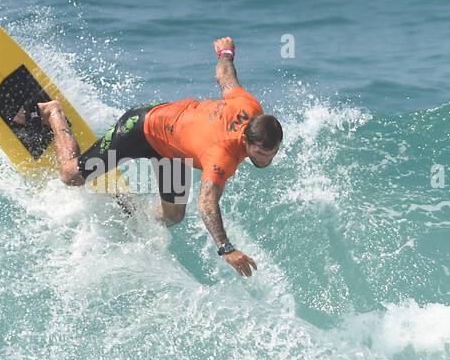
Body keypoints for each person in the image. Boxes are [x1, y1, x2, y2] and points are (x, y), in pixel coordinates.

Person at [38, 37, 282, 277]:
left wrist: (225, 54)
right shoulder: (222, 153)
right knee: (71, 175)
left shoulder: (250, 108)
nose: (265, 160)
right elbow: (207, 202)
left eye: (271, 153)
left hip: (174, 149)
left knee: (173, 215)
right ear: (245, 140)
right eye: (259, 153)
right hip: (141, 129)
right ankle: (54, 112)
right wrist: (226, 248)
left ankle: (131, 210)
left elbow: (226, 78)